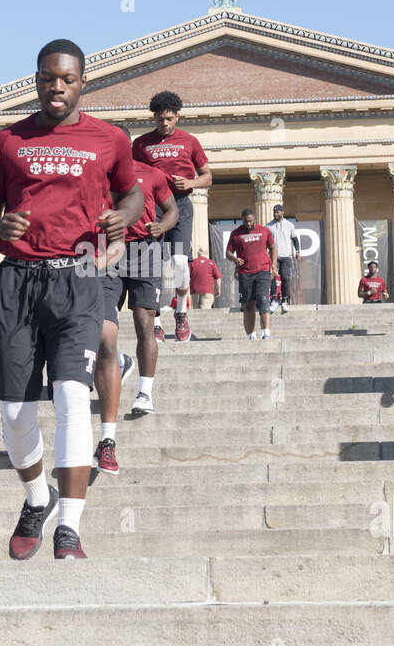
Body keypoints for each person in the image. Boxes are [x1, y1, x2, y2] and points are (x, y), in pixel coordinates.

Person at [0, 38, 142, 561]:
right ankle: (36, 497)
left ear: (82, 82)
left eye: (67, 79)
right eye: (49, 78)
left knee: (72, 397)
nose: (57, 87)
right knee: (17, 413)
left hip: (78, 281)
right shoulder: (8, 141)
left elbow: (132, 193)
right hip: (18, 282)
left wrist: (124, 217)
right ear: (37, 79)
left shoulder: (111, 138)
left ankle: (69, 526)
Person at [94, 145, 178, 474]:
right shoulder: (100, 173)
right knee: (102, 328)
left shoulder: (153, 174)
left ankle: (144, 392)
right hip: (110, 252)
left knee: (145, 324)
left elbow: (172, 210)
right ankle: (119, 362)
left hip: (145, 251)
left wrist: (163, 226)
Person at [132, 91, 212, 342]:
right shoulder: (142, 144)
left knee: (178, 263)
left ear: (177, 116)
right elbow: (131, 174)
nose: (164, 124)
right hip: (151, 206)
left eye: (168, 118)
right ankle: (155, 320)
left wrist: (190, 182)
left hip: (180, 204)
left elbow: (208, 176)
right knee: (152, 264)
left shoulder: (190, 141)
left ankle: (181, 312)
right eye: (159, 119)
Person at [225, 209, 277, 340]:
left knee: (263, 301)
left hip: (263, 271)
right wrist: (235, 259)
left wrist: (274, 265)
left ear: (255, 219)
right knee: (248, 305)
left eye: (251, 221)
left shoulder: (264, 231)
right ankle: (251, 335)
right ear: (242, 220)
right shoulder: (235, 234)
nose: (249, 224)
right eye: (246, 222)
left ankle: (266, 333)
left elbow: (273, 247)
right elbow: (228, 252)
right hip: (245, 273)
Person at [267, 204, 300, 314]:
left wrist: (298, 251)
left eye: (277, 212)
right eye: (274, 212)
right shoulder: (268, 226)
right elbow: (265, 243)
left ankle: (284, 300)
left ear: (282, 212)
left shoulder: (289, 225)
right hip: (273, 257)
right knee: (272, 277)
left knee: (285, 277)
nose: (275, 214)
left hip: (286, 257)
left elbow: (295, 239)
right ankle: (274, 300)